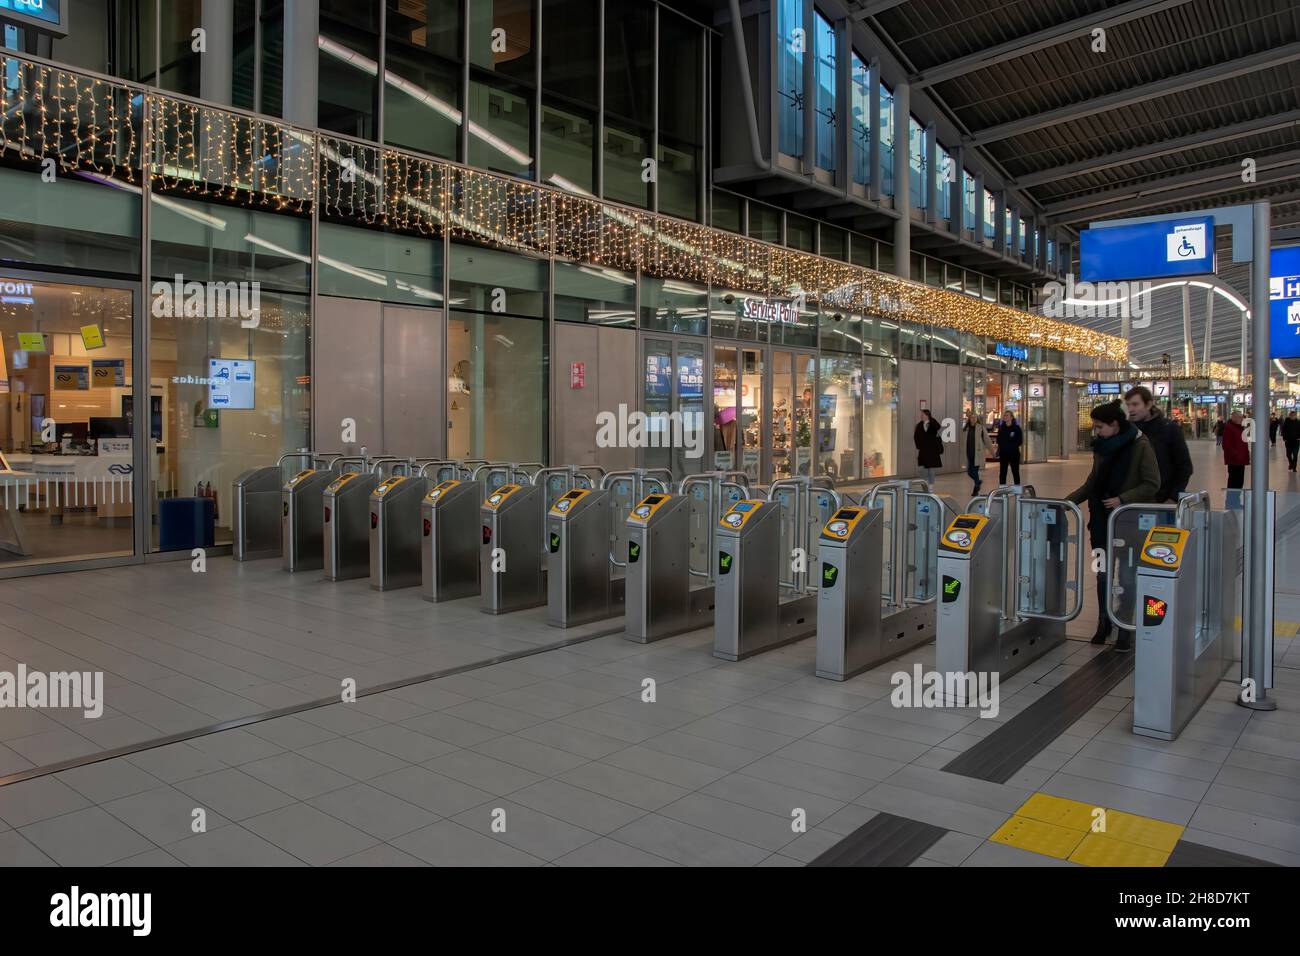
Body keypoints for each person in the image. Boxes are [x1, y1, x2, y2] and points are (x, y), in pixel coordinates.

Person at [1067, 401, 1160, 652]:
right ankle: (1104, 620)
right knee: (1102, 574)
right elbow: (1092, 483)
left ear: (1114, 425)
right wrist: (1068, 502)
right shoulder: (1101, 448)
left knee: (1128, 577)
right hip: (1100, 523)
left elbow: (1153, 483)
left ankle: (1125, 627)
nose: (1096, 432)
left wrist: (1123, 499)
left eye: (1099, 427)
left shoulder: (1141, 446)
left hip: (1129, 524)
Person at [1124, 386, 1192, 503]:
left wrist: (1173, 497)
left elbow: (1184, 467)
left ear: (1148, 405)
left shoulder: (1169, 429)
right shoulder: (1126, 431)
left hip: (1161, 499)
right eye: (1128, 405)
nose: (1130, 409)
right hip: (1130, 501)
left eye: (1135, 404)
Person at [963, 412, 992, 495]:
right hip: (969, 453)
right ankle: (978, 482)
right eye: (972, 417)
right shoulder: (966, 428)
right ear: (969, 419)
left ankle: (976, 489)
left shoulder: (980, 428)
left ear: (977, 419)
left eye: (975, 417)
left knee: (974, 471)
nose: (973, 419)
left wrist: (992, 452)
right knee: (969, 472)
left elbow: (987, 440)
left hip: (977, 453)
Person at [914, 409, 943, 485]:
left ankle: (930, 487)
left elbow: (938, 426)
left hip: (932, 451)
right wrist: (919, 446)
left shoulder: (933, 423)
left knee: (931, 470)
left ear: (927, 415)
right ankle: (925, 486)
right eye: (921, 415)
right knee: (924, 470)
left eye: (923, 415)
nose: (921, 416)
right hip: (923, 451)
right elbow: (916, 437)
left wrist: (931, 419)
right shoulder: (919, 425)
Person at [1222, 410, 1249, 489]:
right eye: (1240, 417)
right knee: (1234, 482)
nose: (1242, 419)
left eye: (1242, 417)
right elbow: (1226, 445)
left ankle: (1236, 499)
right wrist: (1237, 455)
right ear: (1234, 418)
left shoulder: (1239, 428)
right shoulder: (1229, 428)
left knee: (1239, 482)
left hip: (1241, 460)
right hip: (1235, 461)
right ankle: (1231, 500)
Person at [996, 410, 1023, 485]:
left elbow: (1020, 441)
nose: (1005, 417)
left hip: (1014, 454)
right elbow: (998, 439)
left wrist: (1011, 447)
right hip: (1003, 454)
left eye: (1007, 415)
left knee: (1015, 471)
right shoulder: (1001, 428)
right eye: (1004, 415)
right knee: (1002, 472)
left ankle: (1017, 488)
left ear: (1011, 417)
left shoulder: (1016, 428)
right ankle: (1002, 488)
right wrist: (1002, 447)